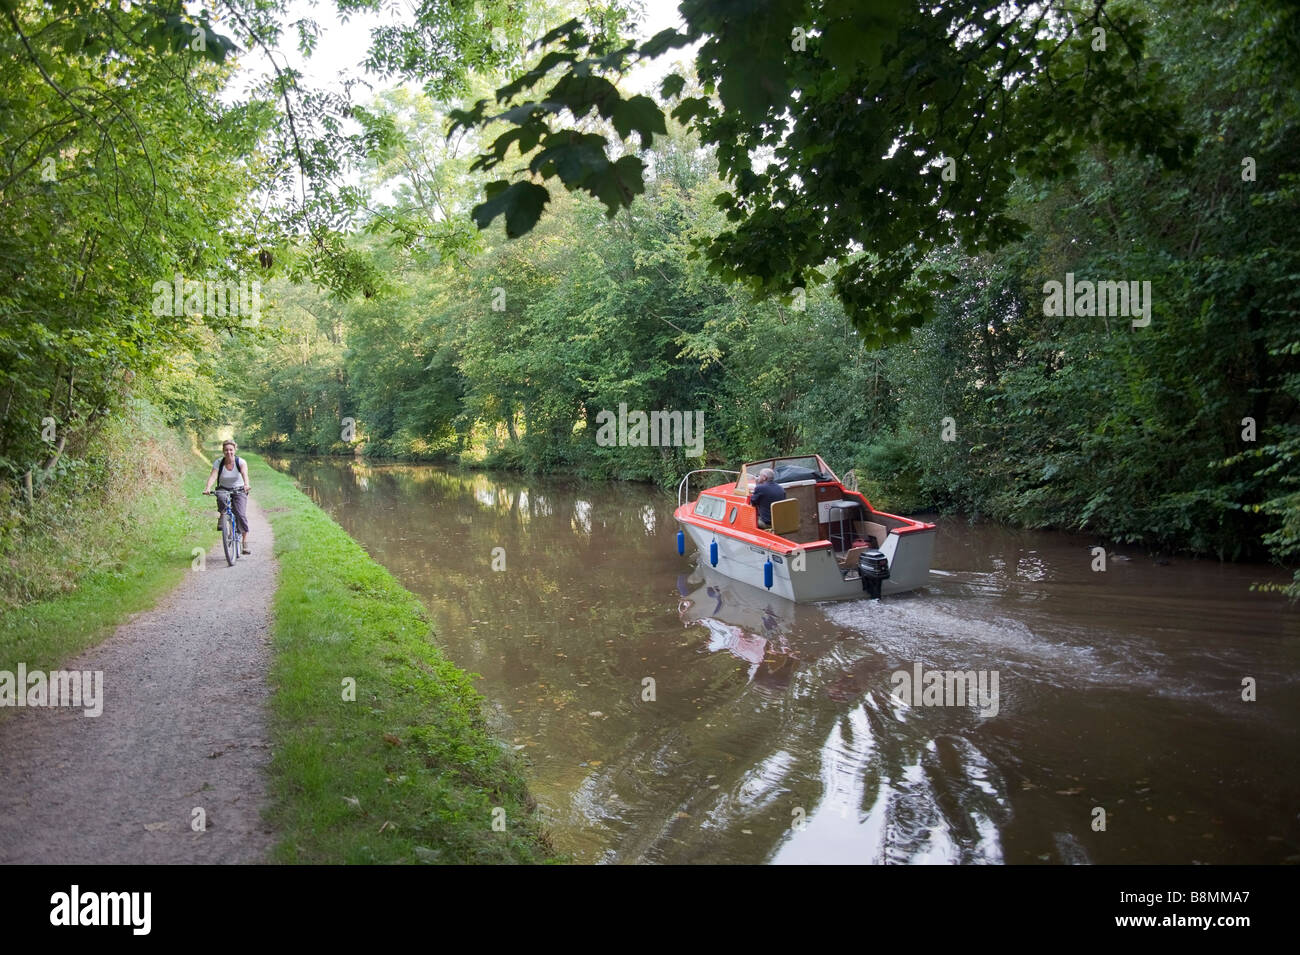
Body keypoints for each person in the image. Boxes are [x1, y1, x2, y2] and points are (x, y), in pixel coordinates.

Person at [204, 440, 252, 554]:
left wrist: (246, 484)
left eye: (231, 450)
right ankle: (222, 516)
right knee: (220, 497)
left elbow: (245, 474)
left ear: (234, 450)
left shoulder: (240, 462)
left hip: (239, 489)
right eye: (226, 450)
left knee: (240, 514)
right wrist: (207, 488)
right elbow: (213, 475)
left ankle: (244, 543)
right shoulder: (219, 462)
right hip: (224, 488)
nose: (228, 452)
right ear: (223, 451)